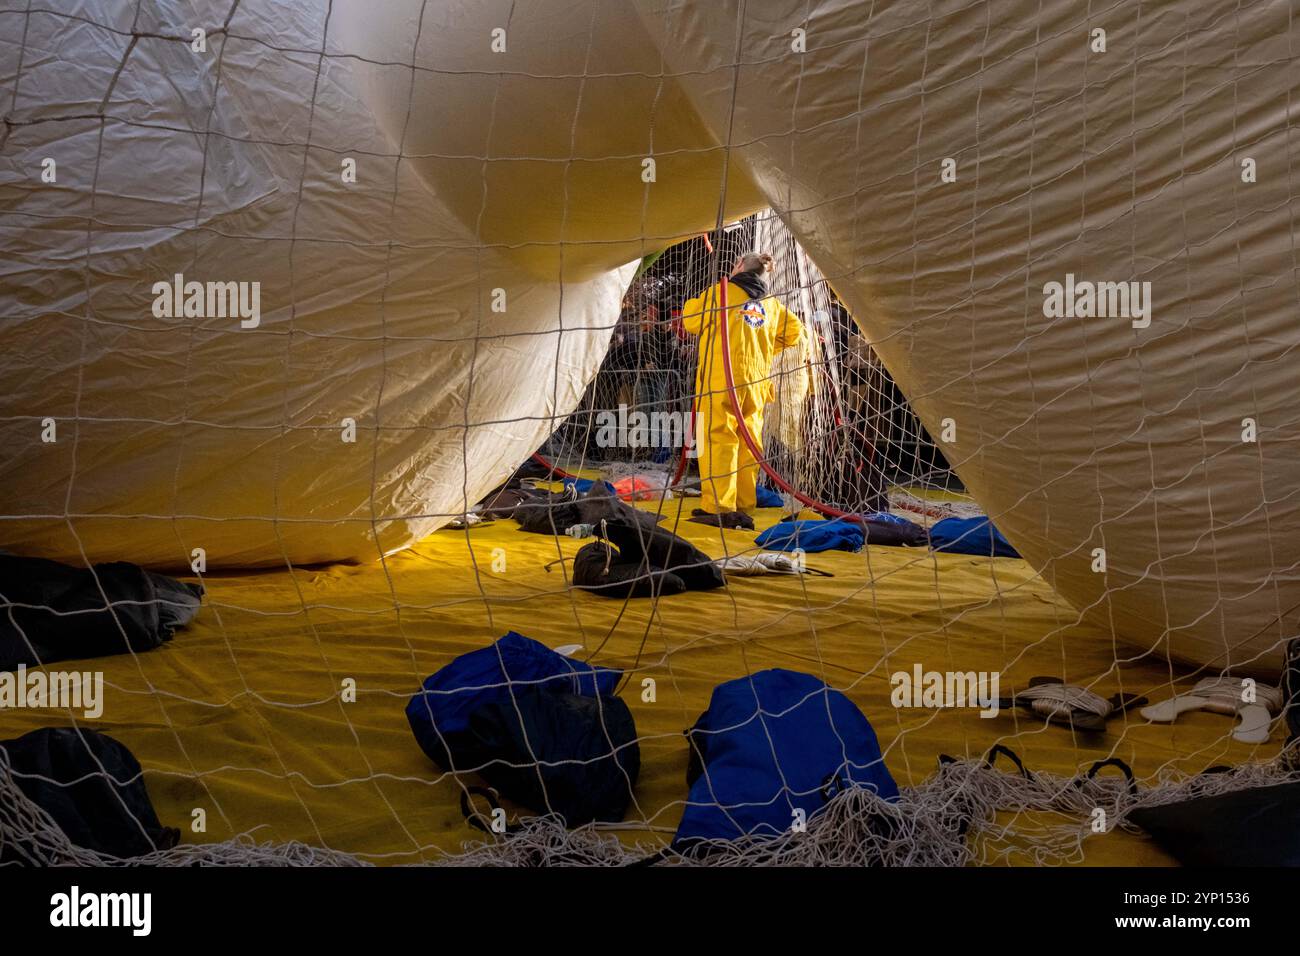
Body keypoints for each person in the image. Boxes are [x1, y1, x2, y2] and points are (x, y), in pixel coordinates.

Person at [680, 252, 805, 529]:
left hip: (720, 382)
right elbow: (795, 332)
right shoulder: (772, 305)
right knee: (749, 444)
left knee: (718, 440)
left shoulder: (721, 293)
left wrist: (692, 302)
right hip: (756, 383)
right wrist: (765, 349)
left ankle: (720, 507)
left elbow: (690, 322)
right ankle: (744, 503)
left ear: (738, 267)